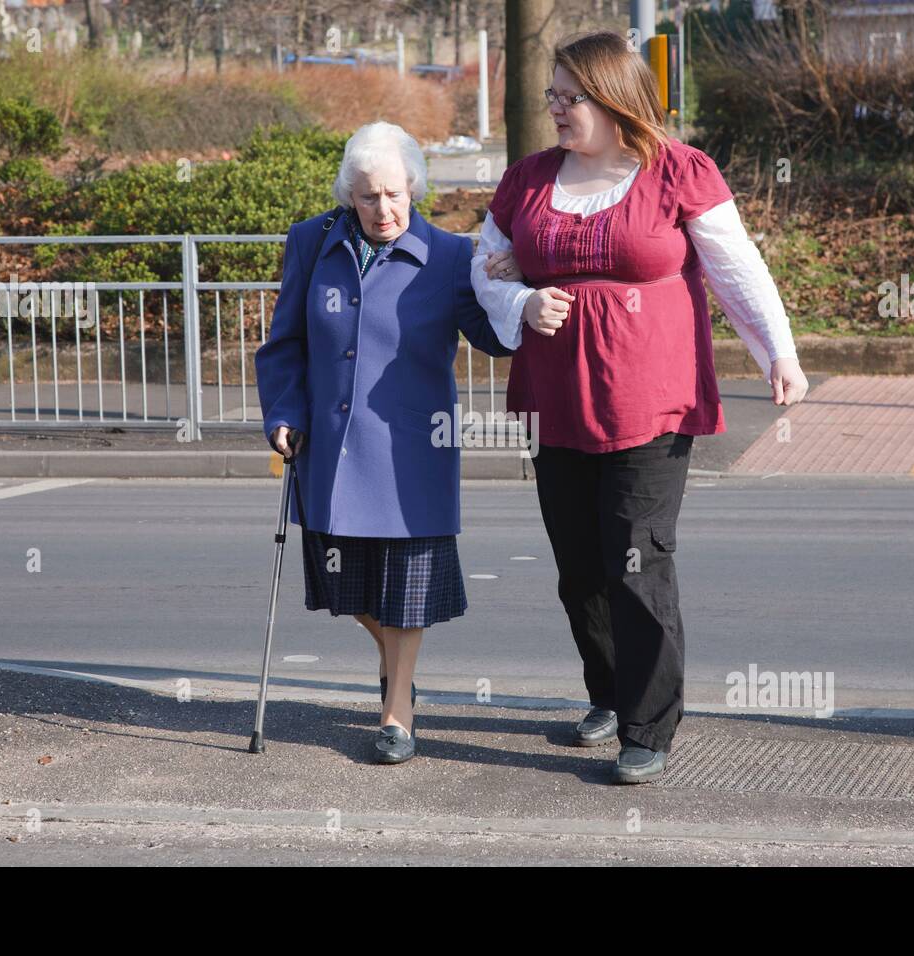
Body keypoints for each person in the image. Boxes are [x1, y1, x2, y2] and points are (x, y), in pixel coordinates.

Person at [471, 31, 809, 784]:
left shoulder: (679, 171)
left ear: (615, 97)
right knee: (579, 566)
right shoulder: (527, 180)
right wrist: (521, 300)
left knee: (636, 557)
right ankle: (608, 694)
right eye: (551, 96)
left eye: (570, 97)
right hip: (554, 399)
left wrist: (777, 354)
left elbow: (737, 269)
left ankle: (649, 723)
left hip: (651, 400)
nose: (555, 109)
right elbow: (482, 266)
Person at [256, 121, 514, 765]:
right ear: (350, 195)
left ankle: (397, 710)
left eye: (395, 194)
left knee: (407, 593)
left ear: (415, 189)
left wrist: (513, 282)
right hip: (332, 450)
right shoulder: (311, 243)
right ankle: (394, 669)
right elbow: (285, 342)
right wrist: (283, 411)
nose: (384, 210)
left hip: (411, 456)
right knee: (348, 593)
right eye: (369, 197)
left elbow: (497, 337)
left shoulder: (453, 257)